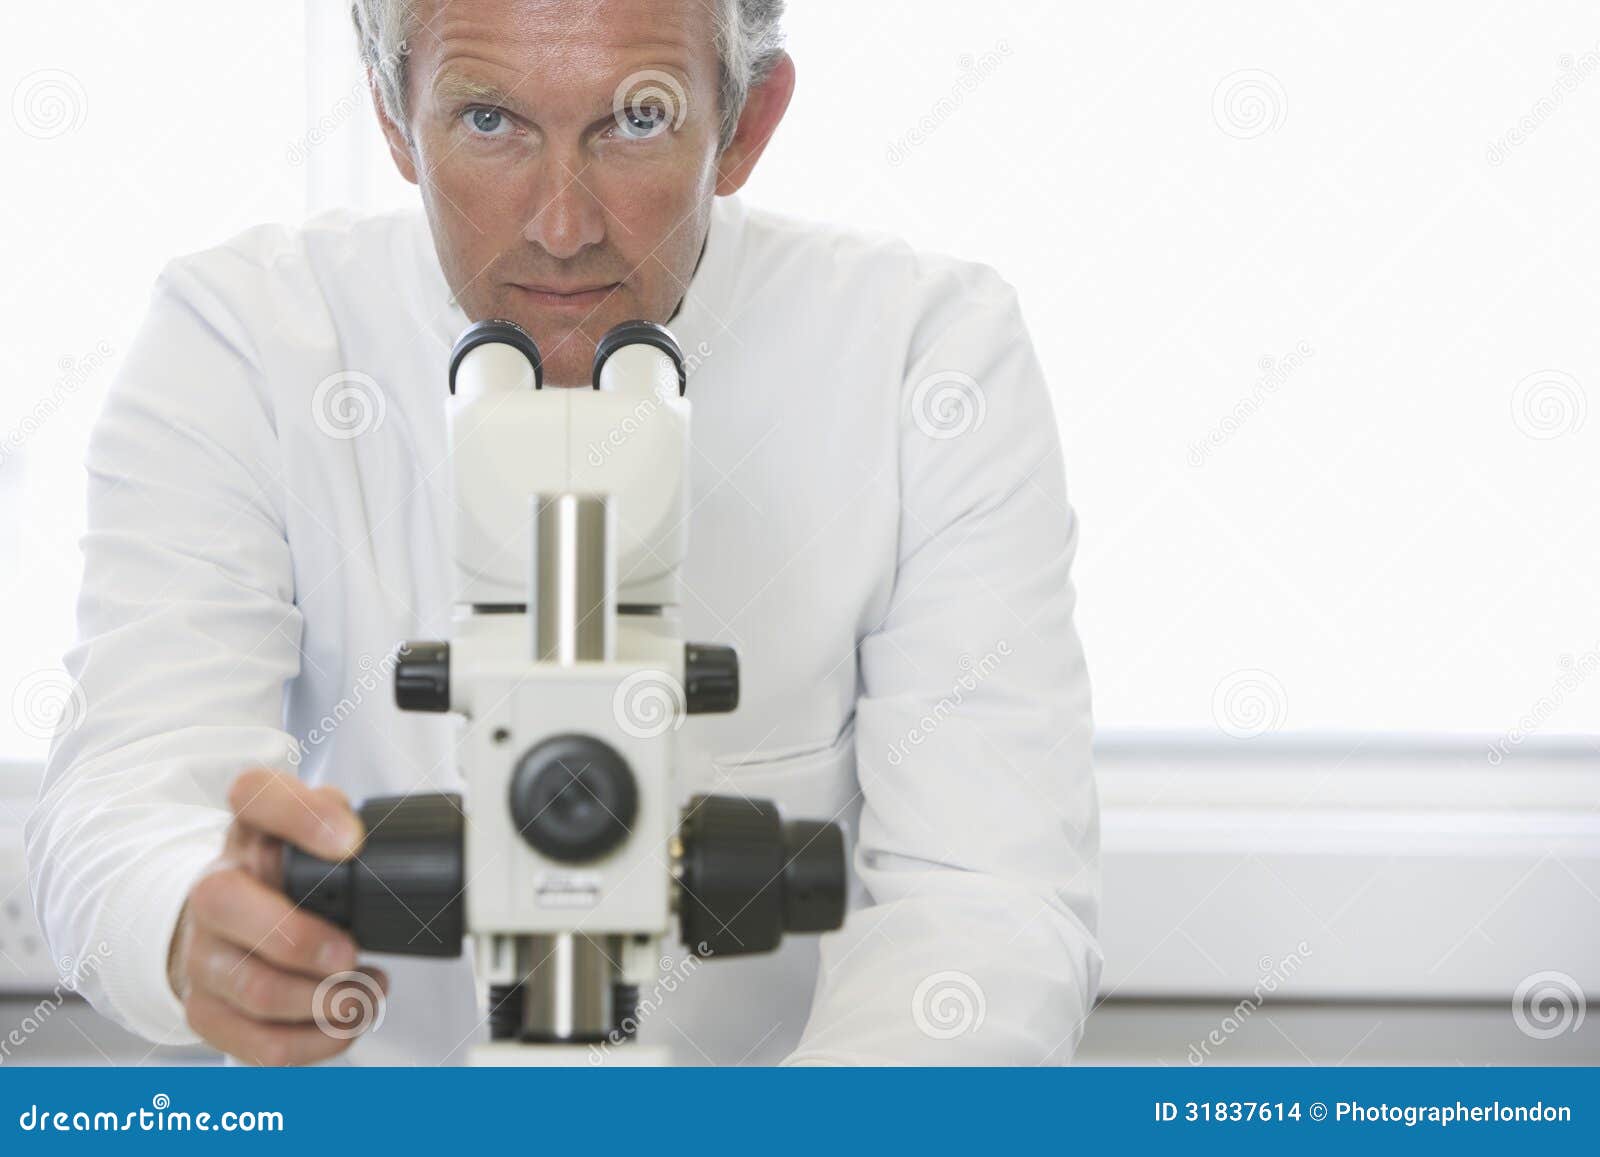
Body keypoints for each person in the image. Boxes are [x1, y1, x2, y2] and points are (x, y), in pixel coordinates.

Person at [27, 0, 1102, 1066]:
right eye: (488, 121)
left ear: (745, 123)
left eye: (635, 120)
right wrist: (190, 917)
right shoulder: (249, 341)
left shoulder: (924, 359)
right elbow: (125, 798)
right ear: (394, 121)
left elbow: (984, 900)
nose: (560, 225)